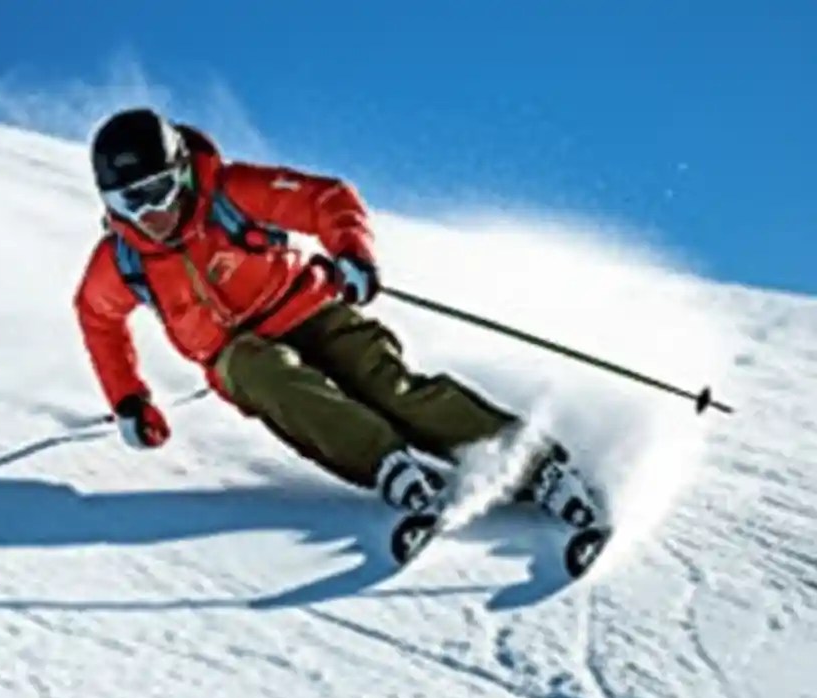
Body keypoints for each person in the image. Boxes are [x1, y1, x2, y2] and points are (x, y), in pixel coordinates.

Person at [72, 107, 598, 525]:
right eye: (129, 202)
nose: (152, 215)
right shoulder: (121, 262)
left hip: (308, 308)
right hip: (236, 351)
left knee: (387, 384)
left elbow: (324, 199)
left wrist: (352, 251)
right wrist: (129, 398)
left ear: (183, 173)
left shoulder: (231, 194)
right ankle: (387, 464)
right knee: (268, 374)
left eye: (160, 191)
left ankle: (532, 466)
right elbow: (97, 319)